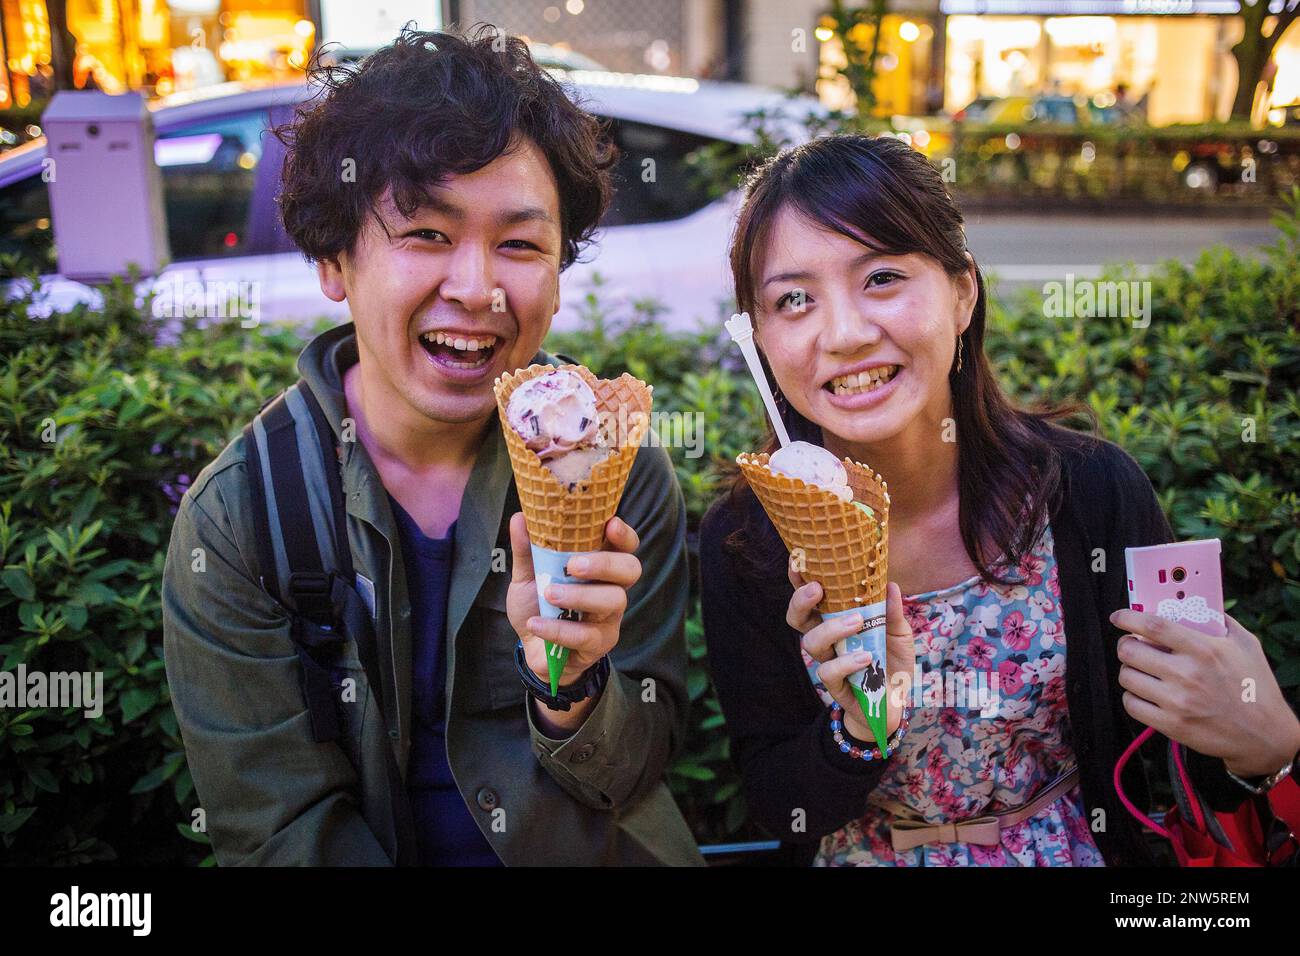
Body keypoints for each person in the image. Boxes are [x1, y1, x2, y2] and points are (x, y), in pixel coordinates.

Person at [162, 26, 701, 867]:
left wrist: (572, 684)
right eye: (426, 234)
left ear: (559, 273)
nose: (477, 288)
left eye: (520, 244)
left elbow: (643, 764)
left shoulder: (619, 466)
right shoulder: (242, 517)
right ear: (335, 260)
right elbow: (280, 832)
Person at [699, 133, 1298, 866]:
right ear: (758, 336)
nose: (846, 333)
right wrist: (858, 730)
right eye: (793, 299)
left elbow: (1193, 758)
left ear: (961, 291)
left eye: (882, 277)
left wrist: (1267, 746)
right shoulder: (750, 539)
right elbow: (779, 805)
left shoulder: (1093, 494)